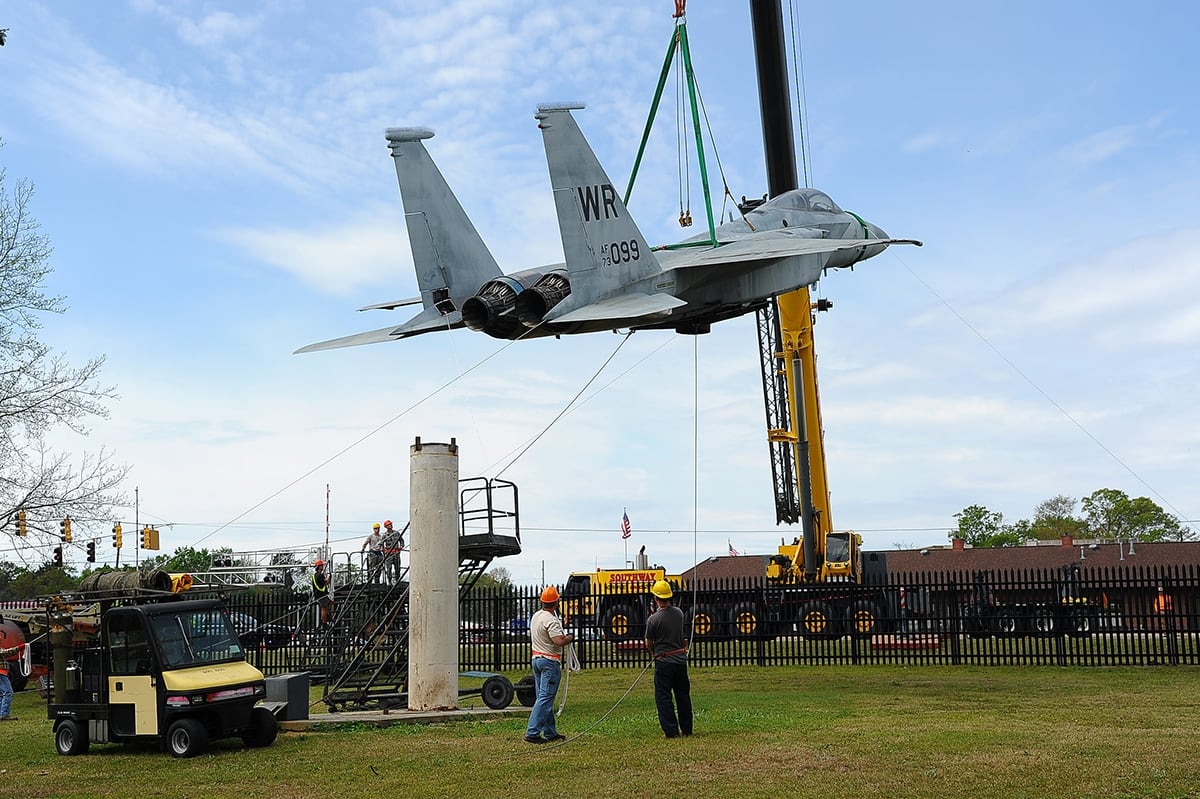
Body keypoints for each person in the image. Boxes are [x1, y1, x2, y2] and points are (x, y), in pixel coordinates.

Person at [525, 585, 574, 744]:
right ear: (556, 602)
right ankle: (532, 732)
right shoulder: (551, 620)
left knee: (542, 697)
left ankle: (550, 732)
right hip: (549, 662)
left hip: (536, 659)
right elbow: (558, 641)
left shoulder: (536, 616)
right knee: (546, 698)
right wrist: (569, 638)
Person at [644, 579, 692, 738]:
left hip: (664, 662)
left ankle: (671, 731)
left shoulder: (653, 620)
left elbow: (649, 643)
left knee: (663, 697)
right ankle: (687, 729)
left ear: (656, 598)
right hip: (680, 661)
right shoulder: (679, 613)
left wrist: (653, 652)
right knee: (683, 695)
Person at [0, 640, 25, 721]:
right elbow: (7, 652)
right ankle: (4, 714)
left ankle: (1, 714)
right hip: (0, 672)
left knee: (1, 694)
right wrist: (20, 647)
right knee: (8, 692)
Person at [381, 519, 405, 584]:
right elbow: (381, 544)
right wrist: (384, 551)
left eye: (391, 524)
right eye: (389, 525)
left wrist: (401, 546)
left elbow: (401, 540)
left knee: (397, 568)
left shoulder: (396, 533)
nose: (391, 525)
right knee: (389, 569)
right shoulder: (385, 535)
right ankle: (389, 582)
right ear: (386, 526)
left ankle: (397, 581)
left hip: (396, 553)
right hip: (389, 554)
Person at [312, 560, 333, 627]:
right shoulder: (320, 575)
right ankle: (324, 622)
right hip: (322, 595)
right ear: (319, 567)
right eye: (321, 565)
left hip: (318, 595)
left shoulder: (314, 576)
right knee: (324, 608)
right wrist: (328, 578)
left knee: (330, 603)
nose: (323, 566)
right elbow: (326, 583)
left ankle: (326, 616)